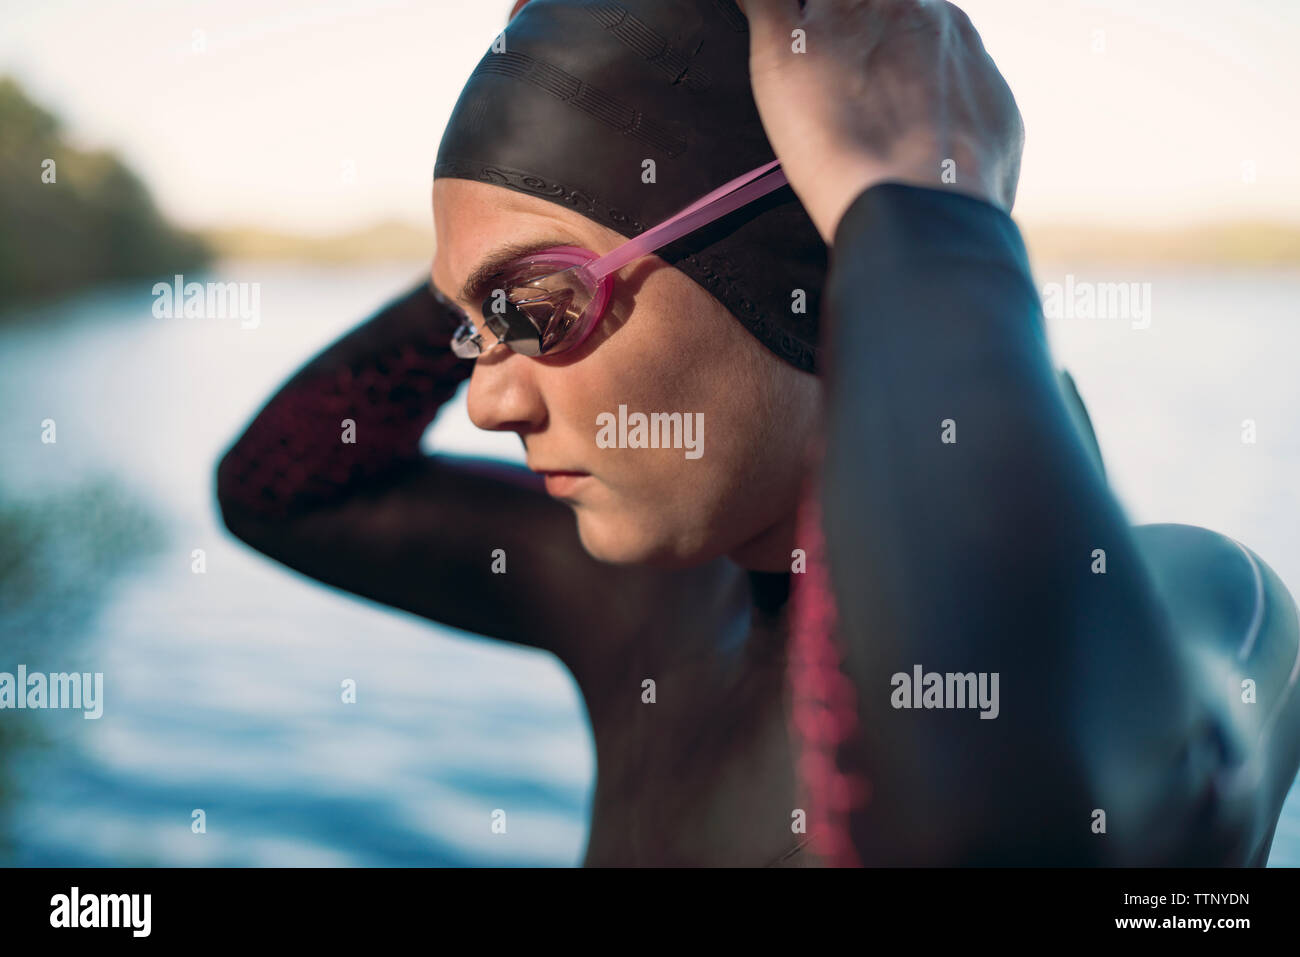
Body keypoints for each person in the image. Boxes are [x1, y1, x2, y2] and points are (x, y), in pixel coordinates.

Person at [216, 0, 1300, 866]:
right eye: (473, 332)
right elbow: (285, 488)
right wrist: (492, 250)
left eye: (536, 312)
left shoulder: (1190, 600)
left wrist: (923, 211)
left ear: (805, 254)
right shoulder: (653, 598)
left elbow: (1017, 829)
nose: (493, 402)